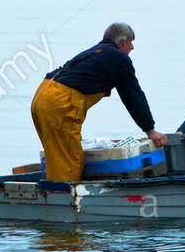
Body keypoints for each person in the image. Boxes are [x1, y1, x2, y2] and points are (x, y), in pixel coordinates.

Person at [31, 22, 167, 181]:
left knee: (56, 155)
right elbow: (132, 95)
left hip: (41, 97)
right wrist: (150, 129)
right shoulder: (119, 58)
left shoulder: (96, 52)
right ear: (122, 42)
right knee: (70, 160)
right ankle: (64, 200)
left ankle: (52, 192)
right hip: (59, 103)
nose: (132, 48)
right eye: (131, 42)